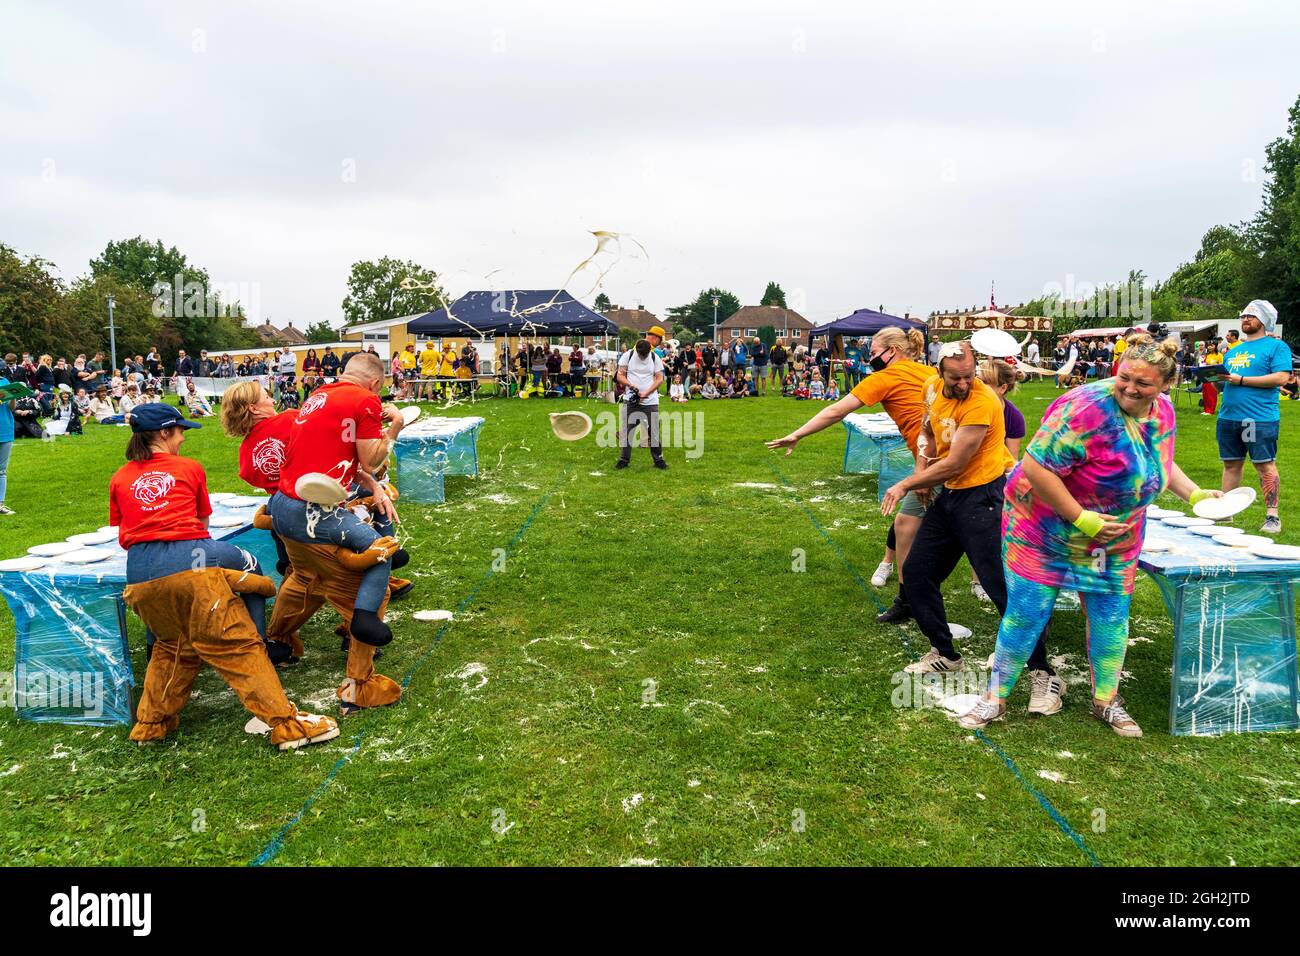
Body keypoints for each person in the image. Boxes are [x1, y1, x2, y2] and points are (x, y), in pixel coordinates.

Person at [959, 335, 1222, 736]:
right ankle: (994, 698)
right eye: (1125, 378)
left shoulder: (1163, 412)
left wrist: (1195, 493)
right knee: (1028, 613)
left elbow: (1157, 461)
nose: (1131, 388)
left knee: (1110, 615)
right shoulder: (1084, 409)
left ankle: (1106, 701)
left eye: (1144, 384)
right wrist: (1081, 518)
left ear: (1165, 386)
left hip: (1113, 535)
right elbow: (1036, 468)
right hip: (1044, 527)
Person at [109, 403, 338, 748]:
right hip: (192, 562)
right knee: (239, 647)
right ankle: (286, 724)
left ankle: (151, 724)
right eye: (180, 431)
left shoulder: (119, 477)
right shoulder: (188, 468)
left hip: (139, 576)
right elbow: (201, 529)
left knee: (171, 647)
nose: (183, 438)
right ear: (163, 433)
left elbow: (126, 529)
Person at [768, 327, 932, 620]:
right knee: (905, 524)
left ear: (891, 351)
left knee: (964, 534)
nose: (870, 360)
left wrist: (797, 435)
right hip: (936, 460)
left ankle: (1009, 600)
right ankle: (907, 600)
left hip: (939, 463)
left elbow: (836, 411)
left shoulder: (885, 378)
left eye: (873, 353)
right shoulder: (927, 372)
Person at [878, 341, 1015, 673]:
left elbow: (956, 463)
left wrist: (909, 482)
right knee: (916, 572)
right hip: (951, 496)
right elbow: (926, 429)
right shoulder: (931, 387)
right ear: (939, 372)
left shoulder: (983, 400)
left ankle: (1037, 662)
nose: (964, 384)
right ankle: (944, 653)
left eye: (969, 375)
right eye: (956, 378)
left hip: (983, 495)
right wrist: (922, 471)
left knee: (995, 580)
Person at [271, 352, 409, 647]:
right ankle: (361, 623)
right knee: (380, 550)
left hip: (281, 507)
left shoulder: (319, 395)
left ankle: (277, 639)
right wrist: (396, 424)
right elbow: (371, 460)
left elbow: (338, 458)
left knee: (304, 579)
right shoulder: (365, 399)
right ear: (373, 384)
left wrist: (373, 486)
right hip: (311, 512)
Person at [1216, 300, 1292, 533]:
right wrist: (1215, 379)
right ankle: (1224, 514)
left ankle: (1272, 517)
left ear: (1264, 320)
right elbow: (1226, 382)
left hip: (1257, 418)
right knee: (1231, 465)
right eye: (1244, 316)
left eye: (1252, 316)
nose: (1246, 319)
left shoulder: (1276, 347)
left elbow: (1281, 378)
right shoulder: (1234, 351)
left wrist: (1241, 380)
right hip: (1229, 417)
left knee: (1264, 465)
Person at [969, 359, 1025, 602]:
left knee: (988, 533)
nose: (977, 385)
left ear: (1002, 388)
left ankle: (982, 581)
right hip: (960, 474)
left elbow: (1010, 459)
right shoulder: (972, 405)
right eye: (978, 380)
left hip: (993, 478)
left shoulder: (1013, 417)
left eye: (985, 382)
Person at [615, 337, 667, 470]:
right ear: (637, 351)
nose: (643, 357)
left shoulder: (655, 358)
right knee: (628, 430)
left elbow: (659, 379)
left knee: (654, 430)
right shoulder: (628, 355)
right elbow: (619, 375)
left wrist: (647, 393)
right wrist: (630, 385)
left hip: (651, 401)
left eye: (646, 354)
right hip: (631, 399)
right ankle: (624, 460)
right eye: (641, 354)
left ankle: (659, 460)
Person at [0, 374, 14, 514]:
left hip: (6, 430)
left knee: (2, 470)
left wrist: (13, 397)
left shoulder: (5, 382)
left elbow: (12, 408)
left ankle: (0, 504)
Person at [1200, 339, 1224, 415]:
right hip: (1205, 375)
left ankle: (1211, 410)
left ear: (1216, 346)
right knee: (1205, 393)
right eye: (1208, 345)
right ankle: (1206, 409)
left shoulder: (1219, 355)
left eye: (1211, 345)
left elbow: (1221, 366)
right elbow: (1202, 364)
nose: (1209, 347)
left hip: (1214, 376)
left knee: (1211, 394)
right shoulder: (1206, 355)